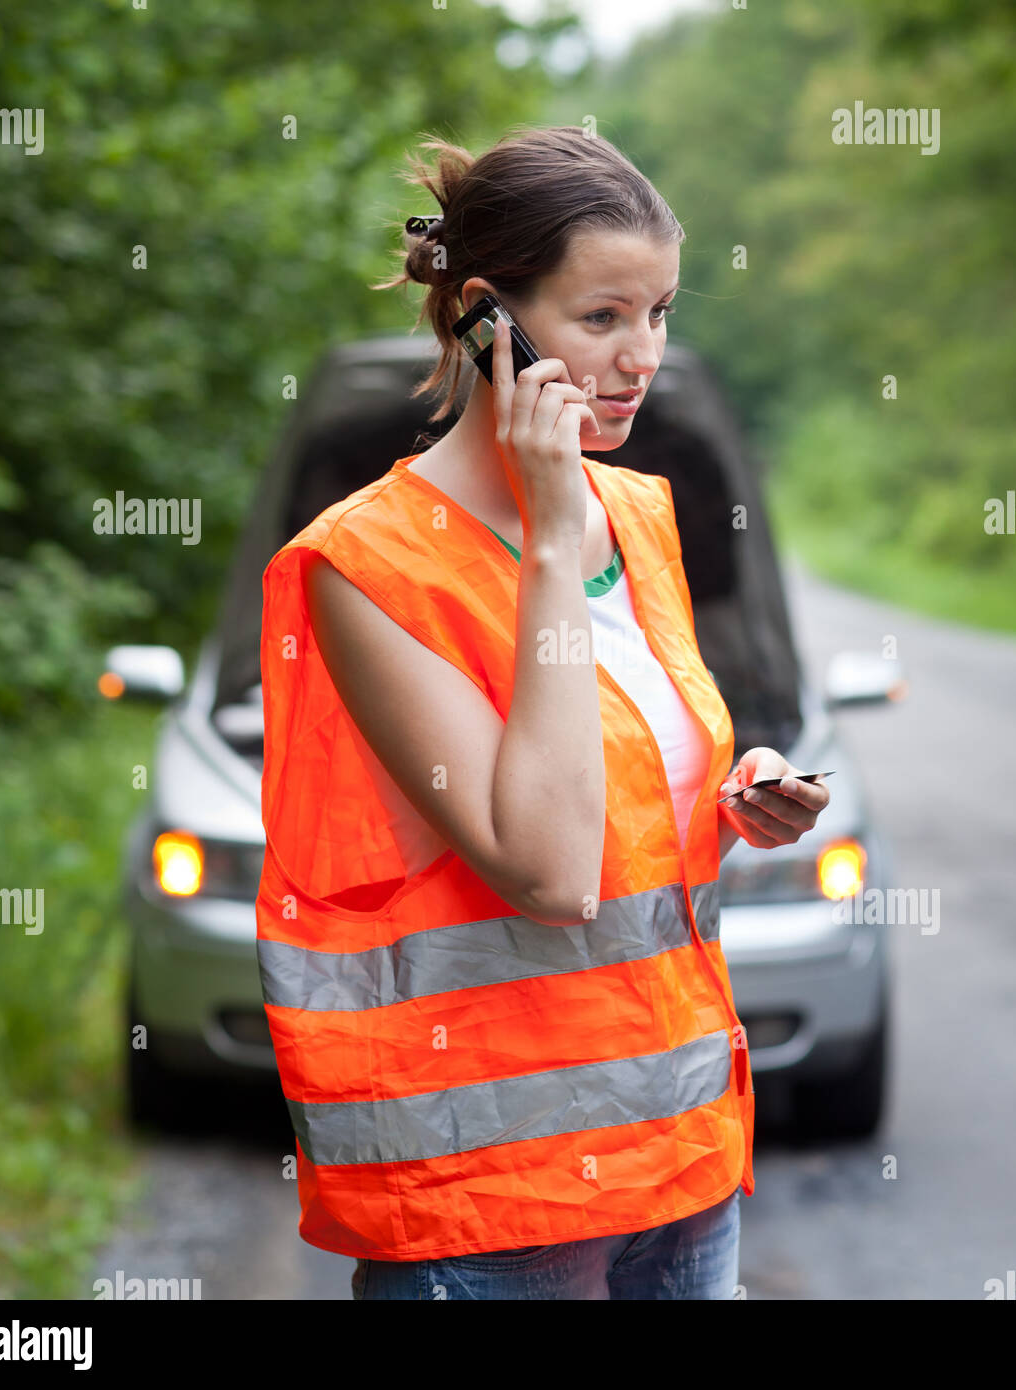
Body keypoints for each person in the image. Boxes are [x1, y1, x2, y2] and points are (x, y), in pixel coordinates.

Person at [255, 124, 829, 1301]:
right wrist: (553, 544)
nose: (642, 357)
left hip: (678, 1162)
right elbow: (554, 873)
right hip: (492, 1202)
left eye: (660, 312)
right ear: (484, 318)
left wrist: (727, 796)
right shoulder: (367, 569)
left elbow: (607, 785)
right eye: (601, 317)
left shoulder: (643, 516)